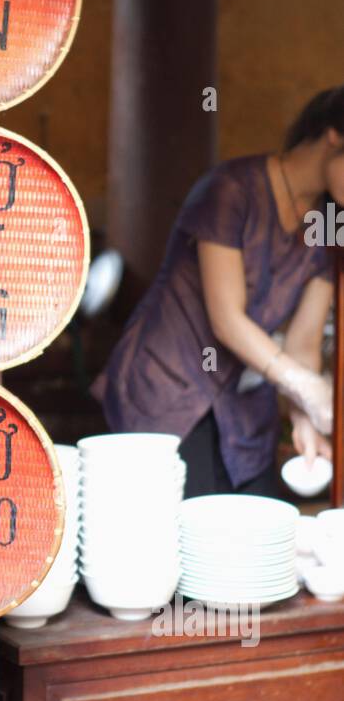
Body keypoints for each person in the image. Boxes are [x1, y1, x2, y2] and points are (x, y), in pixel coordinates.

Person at [93, 88, 344, 499]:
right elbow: (226, 320)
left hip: (243, 404)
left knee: (248, 531)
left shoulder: (327, 225)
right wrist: (303, 384)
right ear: (334, 135)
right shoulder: (231, 189)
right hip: (167, 388)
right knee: (176, 531)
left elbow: (303, 344)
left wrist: (304, 415)